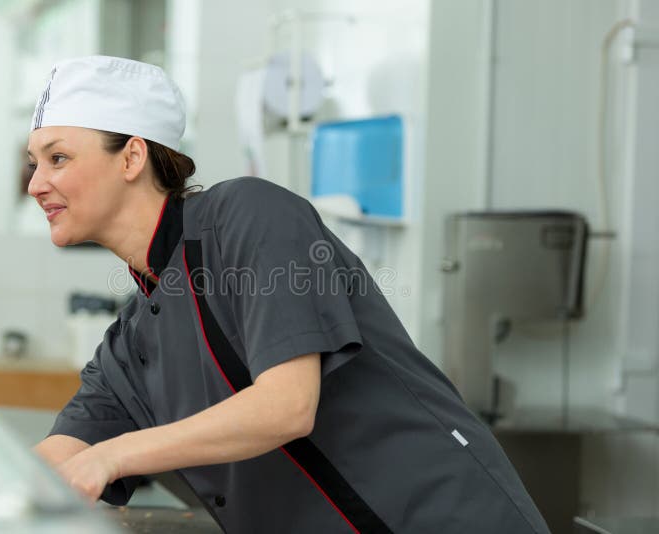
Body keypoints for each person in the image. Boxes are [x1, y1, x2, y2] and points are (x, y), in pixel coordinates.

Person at [29, 56, 548, 534]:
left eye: (58, 158)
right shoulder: (132, 340)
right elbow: (60, 455)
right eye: (35, 163)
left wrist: (116, 455)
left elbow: (286, 407)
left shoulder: (250, 214)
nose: (35, 184)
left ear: (131, 158)